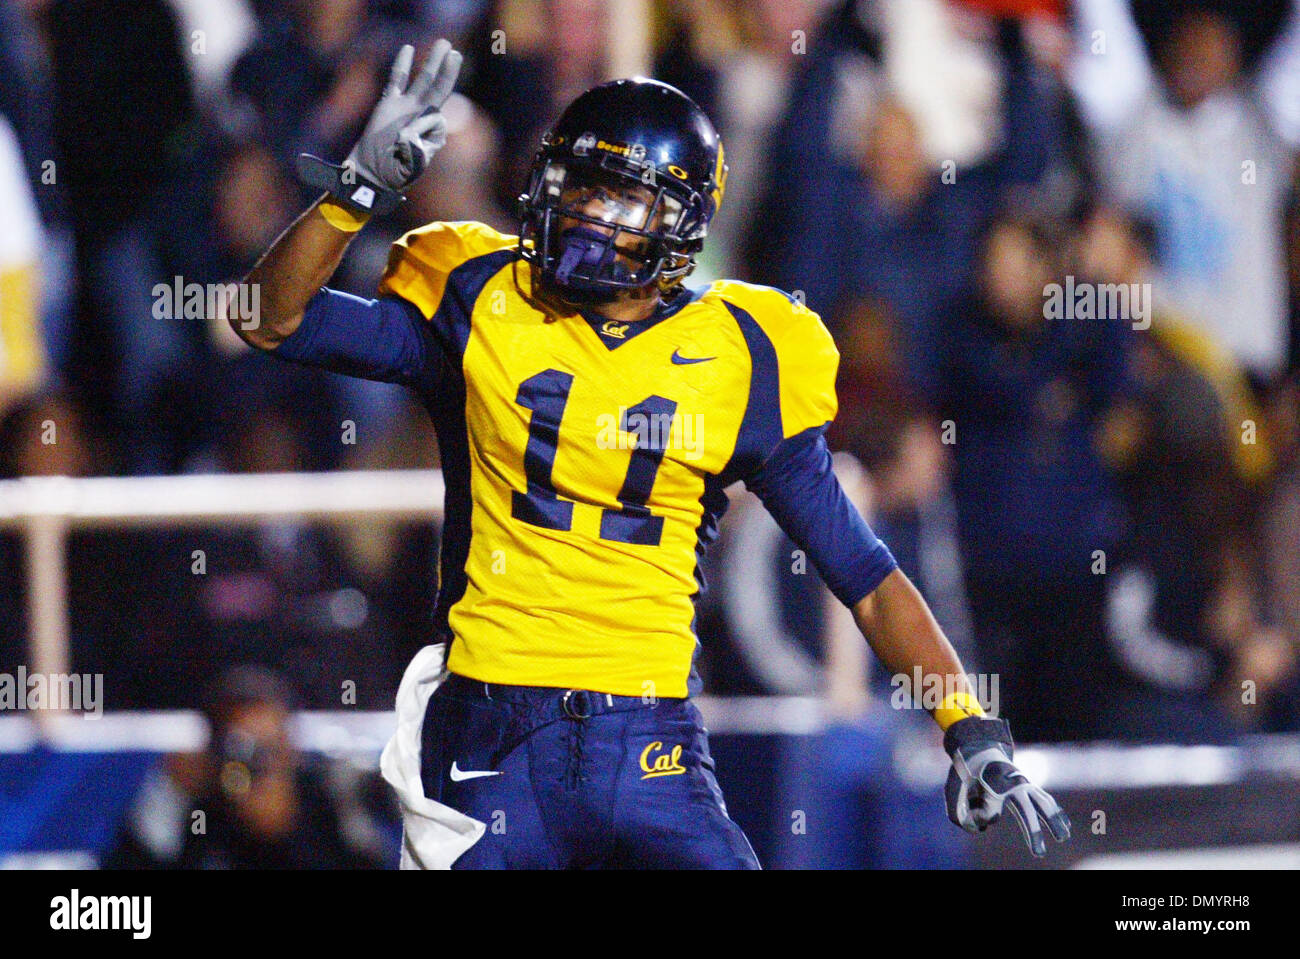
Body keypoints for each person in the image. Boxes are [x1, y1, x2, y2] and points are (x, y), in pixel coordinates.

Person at [230, 38, 1070, 868]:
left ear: (685, 221)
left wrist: (970, 726)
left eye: (619, 200)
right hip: (490, 730)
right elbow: (270, 317)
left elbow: (865, 573)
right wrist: (355, 191)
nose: (588, 215)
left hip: (649, 738)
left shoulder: (742, 352)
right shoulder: (482, 294)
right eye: (578, 188)